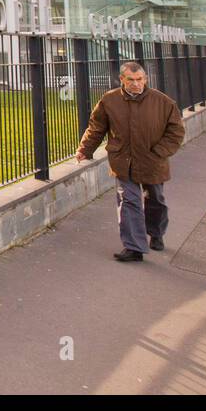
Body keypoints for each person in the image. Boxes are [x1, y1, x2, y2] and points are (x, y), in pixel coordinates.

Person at [76, 61, 185, 262]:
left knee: (156, 200)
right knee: (128, 201)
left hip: (153, 161)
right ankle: (134, 247)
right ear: (122, 80)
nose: (136, 84)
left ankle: (156, 233)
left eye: (139, 80)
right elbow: (97, 127)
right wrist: (85, 148)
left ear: (145, 79)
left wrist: (159, 152)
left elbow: (176, 132)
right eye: (131, 80)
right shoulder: (109, 100)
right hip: (123, 161)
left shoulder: (163, 102)